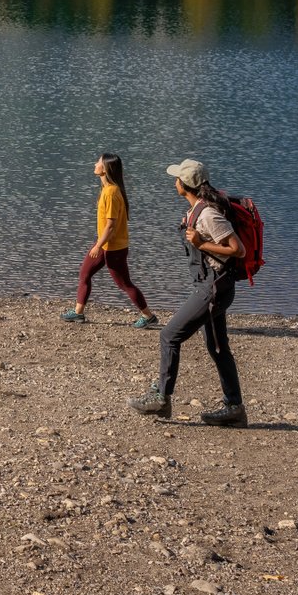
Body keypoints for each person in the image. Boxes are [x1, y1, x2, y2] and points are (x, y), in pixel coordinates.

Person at [128, 158, 247, 427]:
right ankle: (235, 408)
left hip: (213, 289)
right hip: (216, 287)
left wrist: (202, 243)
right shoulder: (197, 210)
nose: (174, 183)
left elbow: (238, 250)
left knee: (169, 335)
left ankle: (161, 399)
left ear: (185, 184)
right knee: (217, 347)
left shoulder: (208, 215)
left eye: (177, 179)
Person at [60, 154, 156, 328]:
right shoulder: (107, 190)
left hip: (113, 248)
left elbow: (111, 226)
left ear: (105, 169)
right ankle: (78, 312)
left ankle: (148, 316)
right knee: (85, 274)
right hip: (105, 244)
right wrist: (99, 244)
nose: (95, 164)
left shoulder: (111, 192)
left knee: (124, 284)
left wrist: (98, 246)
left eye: (98, 162)